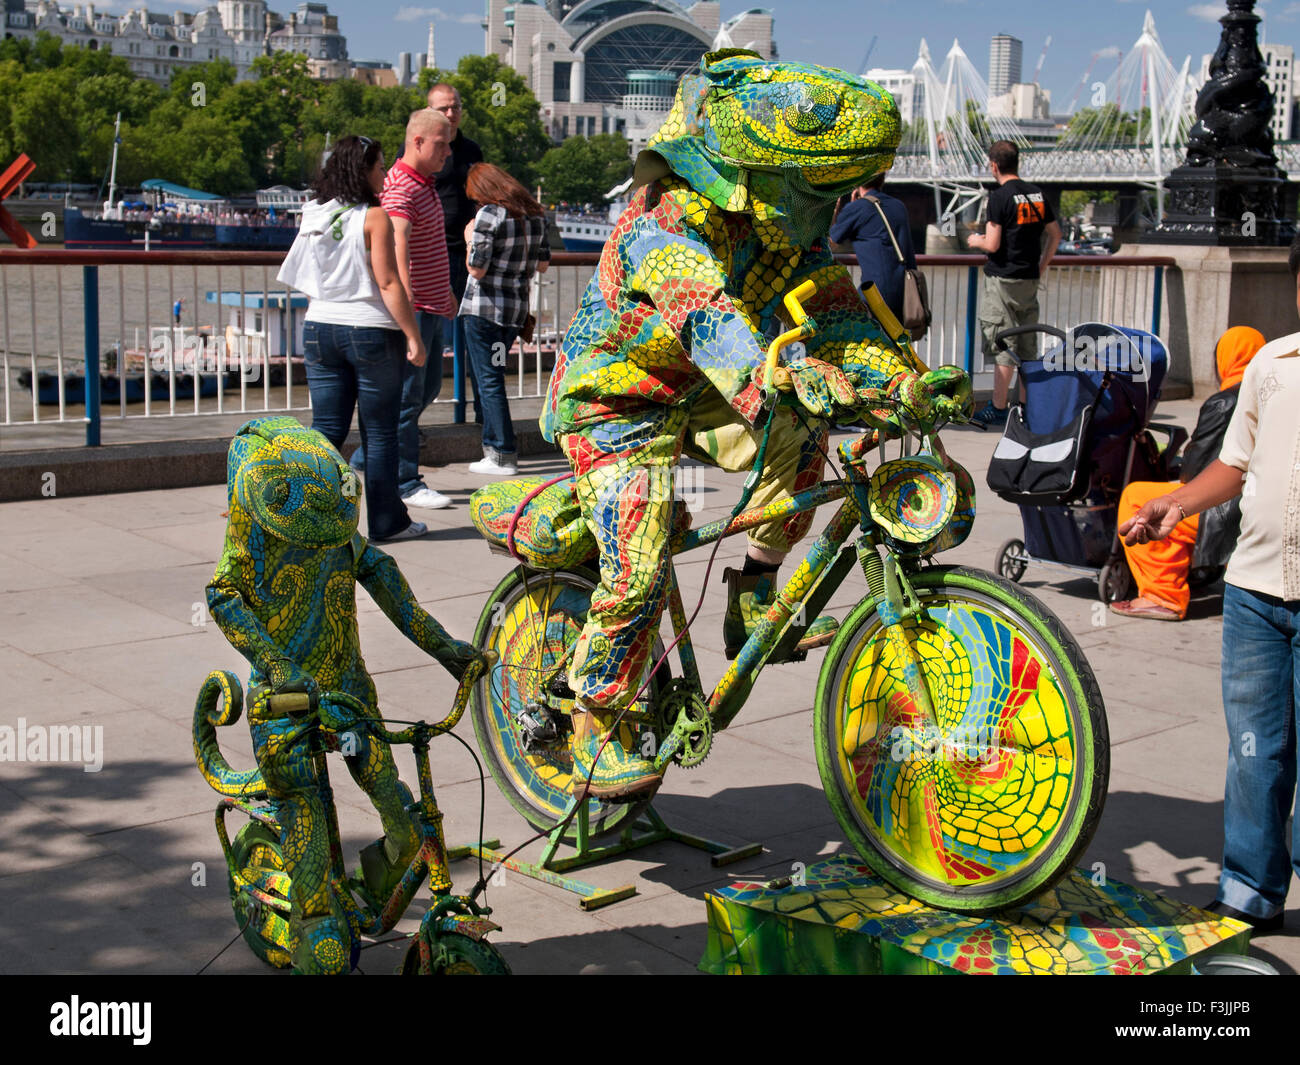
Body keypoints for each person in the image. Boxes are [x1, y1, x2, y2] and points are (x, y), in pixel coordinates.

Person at [541, 51, 968, 801]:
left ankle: (755, 594)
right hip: (618, 403)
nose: (828, 204)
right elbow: (714, 324)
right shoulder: (663, 224)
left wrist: (901, 381)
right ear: (759, 172)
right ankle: (591, 715)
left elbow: (834, 311)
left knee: (805, 444)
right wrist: (785, 375)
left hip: (697, 395)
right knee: (640, 563)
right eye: (815, 186)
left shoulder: (778, 232)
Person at [1121, 233, 1300, 933]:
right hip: (1255, 590)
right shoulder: (1271, 365)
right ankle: (1249, 893)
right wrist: (1176, 504)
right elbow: (1236, 462)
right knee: (1254, 748)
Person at [276, 134, 429, 543]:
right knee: (379, 433)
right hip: (370, 330)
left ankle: (301, 516)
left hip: (319, 326)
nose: (384, 174)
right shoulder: (373, 216)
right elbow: (388, 280)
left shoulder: (313, 213)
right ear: (361, 171)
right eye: (379, 166)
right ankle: (386, 521)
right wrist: (413, 335)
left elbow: (302, 275)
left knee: (326, 428)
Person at [1110, 326, 1265, 621]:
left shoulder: (1223, 401)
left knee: (1136, 497)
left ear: (1225, 359)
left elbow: (1194, 472)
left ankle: (1162, 594)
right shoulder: (1272, 391)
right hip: (1255, 503)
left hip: (1225, 508)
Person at [349, 109, 457, 511]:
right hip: (417, 311)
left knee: (425, 389)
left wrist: (444, 288)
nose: (448, 151)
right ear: (417, 142)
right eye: (441, 143)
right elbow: (398, 253)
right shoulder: (401, 189)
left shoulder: (423, 183)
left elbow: (427, 248)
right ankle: (405, 480)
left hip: (431, 305)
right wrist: (408, 318)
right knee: (410, 396)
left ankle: (367, 459)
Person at [459, 162, 550, 476]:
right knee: (494, 375)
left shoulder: (488, 216)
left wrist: (470, 236)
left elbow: (476, 269)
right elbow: (543, 265)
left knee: (489, 380)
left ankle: (502, 452)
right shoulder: (535, 217)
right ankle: (493, 449)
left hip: (483, 312)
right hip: (513, 314)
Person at [967, 140, 1061, 426]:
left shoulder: (999, 197)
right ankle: (1025, 407)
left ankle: (997, 408)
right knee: (1028, 346)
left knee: (1003, 343)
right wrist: (1041, 266)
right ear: (1017, 162)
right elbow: (1055, 234)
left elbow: (993, 244)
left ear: (993, 165)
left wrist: (976, 240)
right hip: (1029, 279)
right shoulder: (1036, 195)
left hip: (1002, 280)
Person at [428, 82, 486, 423]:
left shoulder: (471, 150)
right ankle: (412, 423)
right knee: (425, 338)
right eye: (443, 109)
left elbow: (483, 196)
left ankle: (480, 416)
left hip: (468, 257)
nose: (451, 114)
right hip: (430, 257)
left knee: (474, 338)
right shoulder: (419, 149)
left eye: (455, 107)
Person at [828, 174, 917, 322]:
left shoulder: (857, 208)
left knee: (845, 325)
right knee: (894, 340)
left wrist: (837, 211)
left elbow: (831, 244)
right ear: (882, 180)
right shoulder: (898, 206)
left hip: (875, 293)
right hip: (904, 290)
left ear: (858, 182)